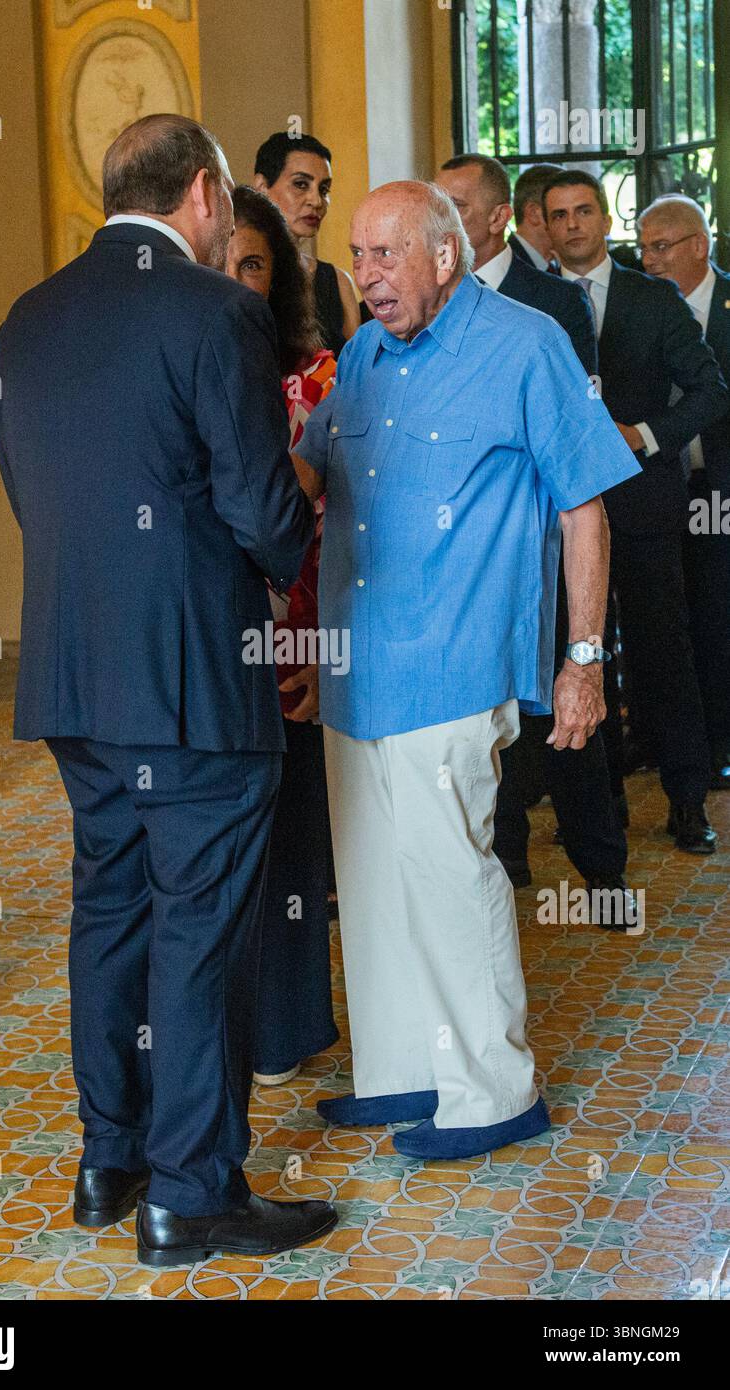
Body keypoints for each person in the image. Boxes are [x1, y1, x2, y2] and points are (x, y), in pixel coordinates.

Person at [0, 114, 335, 1267]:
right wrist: (297, 539)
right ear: (201, 193)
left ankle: (111, 1158)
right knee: (199, 927)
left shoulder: (29, 318)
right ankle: (191, 1191)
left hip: (73, 674)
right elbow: (260, 508)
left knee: (111, 910)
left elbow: (33, 496)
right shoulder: (216, 311)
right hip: (194, 675)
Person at [292, 181, 641, 1160]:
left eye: (385, 255)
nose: (365, 276)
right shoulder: (364, 353)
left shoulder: (526, 345)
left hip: (452, 663)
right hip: (356, 666)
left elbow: (583, 507)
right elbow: (307, 474)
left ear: (444, 256)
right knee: (375, 880)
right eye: (357, 256)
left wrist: (582, 660)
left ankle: (491, 1089)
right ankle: (404, 1070)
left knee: (450, 874)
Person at [435, 155, 635, 929]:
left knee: (566, 717)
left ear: (495, 218)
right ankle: (508, 856)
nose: (440, 218)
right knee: (487, 714)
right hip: (466, 553)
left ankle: (602, 872)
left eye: (455, 205)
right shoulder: (427, 299)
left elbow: (572, 434)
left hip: (545, 544)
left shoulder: (553, 303)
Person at [544, 170, 728, 852]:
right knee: (579, 658)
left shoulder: (652, 298)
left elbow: (710, 391)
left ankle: (687, 801)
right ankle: (598, 808)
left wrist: (645, 435)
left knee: (662, 654)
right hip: (561, 515)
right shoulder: (531, 303)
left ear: (603, 219)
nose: (572, 224)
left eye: (583, 210)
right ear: (545, 226)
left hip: (644, 504)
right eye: (558, 214)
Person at [225, 184, 339, 1087]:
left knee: (294, 842)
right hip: (204, 644)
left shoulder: (320, 380)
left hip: (297, 640)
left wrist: (319, 647)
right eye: (220, 260)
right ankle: (222, 1028)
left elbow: (349, 524)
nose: (235, 279)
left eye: (253, 264)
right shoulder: (170, 364)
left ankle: (285, 1026)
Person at [637, 194, 730, 789]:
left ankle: (719, 741)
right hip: (661, 492)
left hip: (720, 491)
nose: (648, 260)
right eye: (642, 247)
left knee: (719, 614)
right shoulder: (645, 308)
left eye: (660, 247)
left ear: (698, 245)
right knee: (670, 619)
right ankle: (663, 739)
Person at [253, 131, 361, 356]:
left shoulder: (338, 282)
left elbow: (354, 370)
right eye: (301, 184)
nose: (316, 201)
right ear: (262, 187)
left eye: (324, 189)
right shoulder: (233, 270)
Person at [508, 162, 565, 273]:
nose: (573, 224)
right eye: (561, 214)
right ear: (534, 214)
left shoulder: (557, 267)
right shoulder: (506, 268)